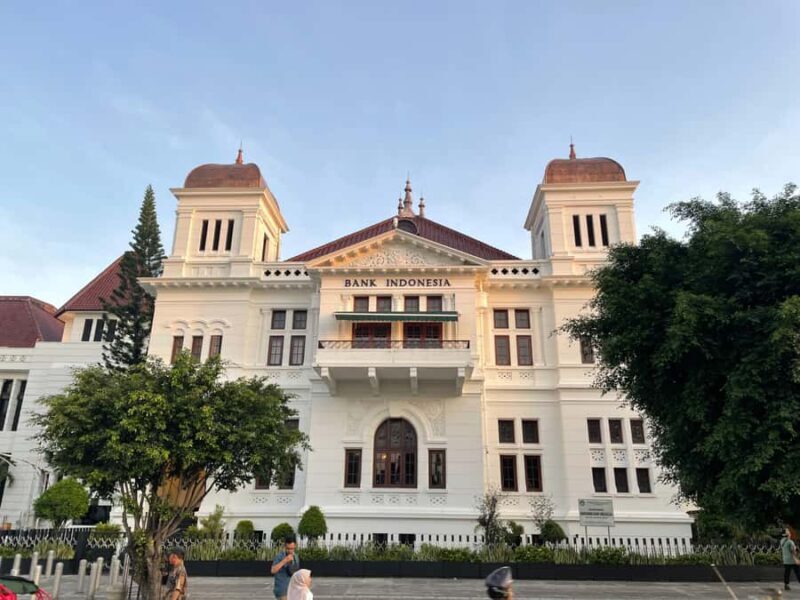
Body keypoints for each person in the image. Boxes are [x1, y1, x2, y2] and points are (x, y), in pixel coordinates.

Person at [271, 535, 300, 600]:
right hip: (282, 590)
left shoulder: (296, 557)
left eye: (292, 548)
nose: (290, 551)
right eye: (288, 548)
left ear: (295, 546)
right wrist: (285, 560)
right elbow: (273, 570)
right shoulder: (280, 556)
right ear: (285, 546)